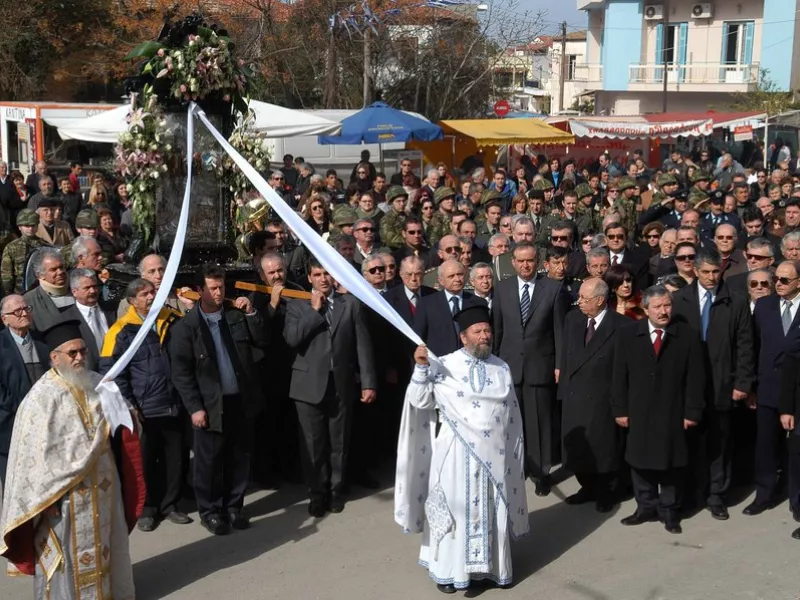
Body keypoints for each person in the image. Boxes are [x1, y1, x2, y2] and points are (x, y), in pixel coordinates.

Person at [0, 319, 142, 599]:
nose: (79, 358)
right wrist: (46, 501)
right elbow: (32, 459)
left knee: (108, 546)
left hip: (103, 487)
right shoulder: (41, 399)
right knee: (67, 560)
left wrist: (129, 417)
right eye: (72, 353)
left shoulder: (97, 384)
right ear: (54, 358)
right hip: (65, 498)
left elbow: (122, 421)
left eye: (83, 352)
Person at [396, 305, 529, 593]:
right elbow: (419, 401)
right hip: (456, 455)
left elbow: (512, 416)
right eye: (477, 332)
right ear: (463, 337)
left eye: (487, 331)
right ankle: (450, 572)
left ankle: (490, 571)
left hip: (494, 455)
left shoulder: (501, 367)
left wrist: (514, 455)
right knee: (455, 514)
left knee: (490, 512)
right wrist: (420, 367)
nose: (484, 336)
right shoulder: (443, 365)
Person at [170, 265, 267, 535]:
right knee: (209, 461)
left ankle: (234, 506)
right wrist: (195, 407)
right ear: (199, 290)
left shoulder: (234, 316)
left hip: (240, 400)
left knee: (240, 456)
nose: (218, 292)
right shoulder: (187, 327)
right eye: (212, 287)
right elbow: (181, 373)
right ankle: (210, 511)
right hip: (210, 405)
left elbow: (261, 342)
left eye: (221, 286)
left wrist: (251, 314)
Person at [283, 257, 377, 517]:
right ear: (309, 278)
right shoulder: (297, 305)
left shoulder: (350, 304)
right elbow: (291, 339)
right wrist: (314, 311)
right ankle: (317, 493)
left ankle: (336, 491)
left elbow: (363, 346)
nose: (323, 279)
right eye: (317, 274)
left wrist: (368, 382)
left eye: (326, 273)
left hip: (342, 384)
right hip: (308, 386)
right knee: (313, 444)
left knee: (340, 441)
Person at [612, 285, 706, 534]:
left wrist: (692, 411)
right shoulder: (628, 334)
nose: (664, 311)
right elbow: (619, 375)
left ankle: (670, 511)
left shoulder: (686, 335)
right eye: (658, 307)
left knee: (672, 464)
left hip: (672, 412)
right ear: (646, 309)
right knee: (639, 461)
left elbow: (696, 378)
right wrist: (620, 409)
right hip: (639, 411)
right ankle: (645, 507)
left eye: (667, 305)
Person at [670, 249, 755, 520]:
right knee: (690, 443)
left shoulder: (736, 300)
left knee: (719, 444)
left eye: (715, 272)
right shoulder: (679, 300)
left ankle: (716, 495)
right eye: (705, 271)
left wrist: (742, 382)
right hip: (688, 387)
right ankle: (691, 494)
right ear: (695, 270)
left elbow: (745, 345)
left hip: (722, 383)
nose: (710, 277)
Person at [101, 278, 190, 532]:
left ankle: (171, 505)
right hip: (144, 408)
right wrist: (130, 404)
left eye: (153, 292)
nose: (151, 297)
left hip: (172, 402)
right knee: (146, 461)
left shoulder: (171, 319)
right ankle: (147, 509)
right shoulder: (120, 330)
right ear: (131, 301)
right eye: (144, 294)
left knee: (175, 457)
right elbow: (111, 372)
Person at [492, 242, 569, 496]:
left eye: (530, 260)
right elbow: (498, 329)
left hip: (540, 366)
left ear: (538, 261)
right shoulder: (502, 289)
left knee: (539, 424)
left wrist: (559, 365)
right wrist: (494, 364)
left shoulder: (554, 289)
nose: (525, 265)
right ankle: (517, 467)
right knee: (512, 422)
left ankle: (541, 473)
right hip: (510, 366)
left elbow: (559, 331)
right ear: (512, 262)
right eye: (520, 261)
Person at [559, 278, 628, 513]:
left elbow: (623, 369)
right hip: (574, 395)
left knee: (603, 450)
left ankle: (605, 492)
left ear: (600, 300)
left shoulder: (621, 326)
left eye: (584, 299)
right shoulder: (573, 319)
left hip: (602, 398)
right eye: (579, 297)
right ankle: (586, 487)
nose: (579, 302)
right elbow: (567, 359)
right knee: (578, 450)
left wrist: (620, 405)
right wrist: (563, 393)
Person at [747, 260, 800, 517]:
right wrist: (752, 386)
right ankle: (764, 494)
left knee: (796, 448)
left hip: (797, 392)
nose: (777, 284)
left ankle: (795, 499)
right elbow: (754, 347)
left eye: (784, 280)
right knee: (765, 445)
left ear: (799, 283)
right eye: (776, 278)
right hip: (767, 387)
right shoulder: (764, 306)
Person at [0, 295, 48, 483]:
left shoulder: (42, 340)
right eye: (17, 311)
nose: (24, 313)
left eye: (26, 308)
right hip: (11, 423)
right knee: (16, 482)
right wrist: (21, 409)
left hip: (44, 421)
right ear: (5, 319)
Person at [413, 259, 487, 357]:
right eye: (451, 276)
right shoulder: (427, 304)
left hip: (471, 362)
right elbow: (418, 337)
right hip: (440, 363)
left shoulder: (478, 302)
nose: (457, 279)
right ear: (441, 281)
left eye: (460, 274)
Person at [69, 268, 115, 372]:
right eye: (87, 288)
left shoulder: (112, 310)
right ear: (74, 292)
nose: (93, 291)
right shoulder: (69, 319)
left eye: (95, 286)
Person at [23, 248, 75, 333]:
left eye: (61, 267)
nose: (60, 272)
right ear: (40, 275)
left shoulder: (78, 290)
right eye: (53, 269)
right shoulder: (29, 301)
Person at [1, 209, 46, 295]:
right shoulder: (11, 247)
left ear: (37, 226)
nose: (30, 228)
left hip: (41, 291)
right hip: (19, 292)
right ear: (19, 227)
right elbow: (6, 275)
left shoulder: (44, 246)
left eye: (33, 225)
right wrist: (8, 292)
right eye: (26, 226)